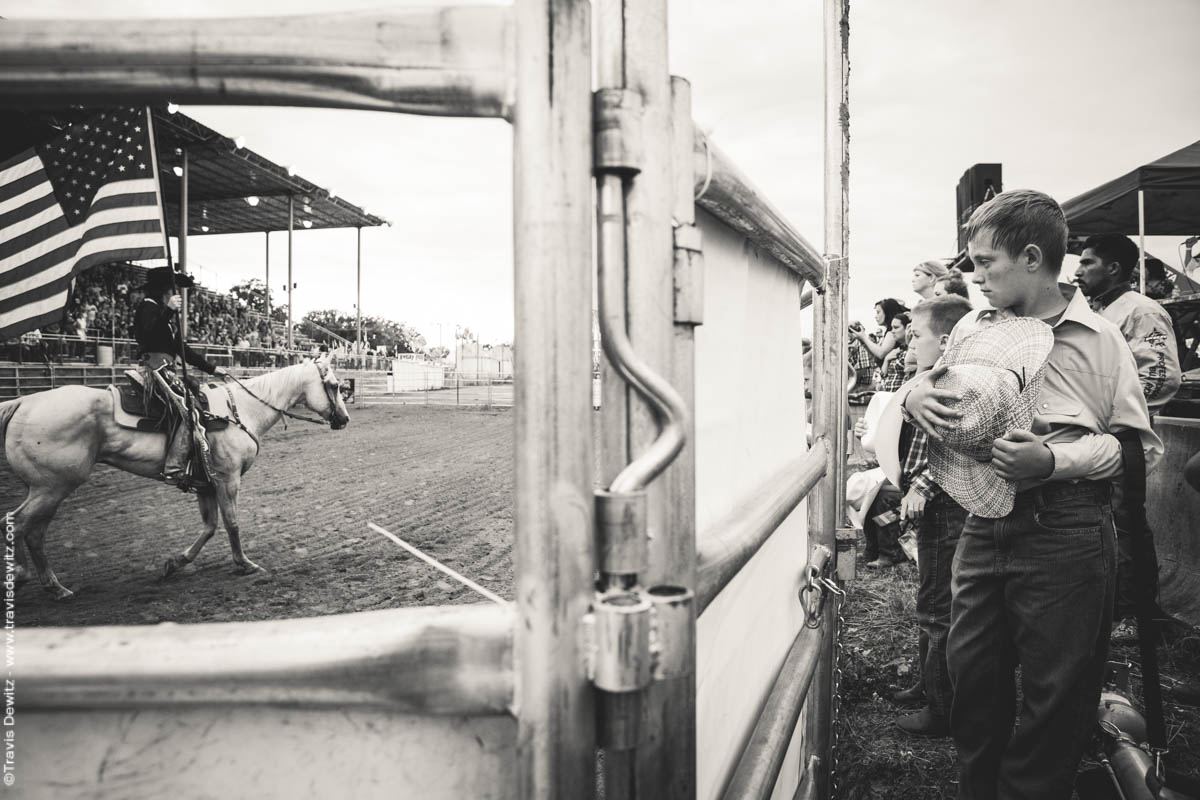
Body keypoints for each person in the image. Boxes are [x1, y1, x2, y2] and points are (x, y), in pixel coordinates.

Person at [903, 190, 1161, 800]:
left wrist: (1053, 462)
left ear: (1031, 257)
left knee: (1057, 690)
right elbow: (932, 385)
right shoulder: (971, 327)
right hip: (980, 519)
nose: (976, 277)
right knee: (972, 674)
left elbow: (1135, 448)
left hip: (1066, 530)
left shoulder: (1101, 339)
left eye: (985, 262)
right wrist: (915, 395)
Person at [1075, 234, 1182, 639]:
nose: (1078, 271)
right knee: (1106, 521)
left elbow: (1161, 377)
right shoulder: (1096, 311)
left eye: (1087, 263)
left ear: (1114, 268)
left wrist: (1110, 413)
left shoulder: (1141, 310)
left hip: (1125, 438)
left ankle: (1138, 614)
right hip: (1095, 438)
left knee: (1127, 522)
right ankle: (1114, 607)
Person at [877, 294, 974, 738]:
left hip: (944, 504)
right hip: (935, 503)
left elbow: (955, 445)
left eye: (917, 335)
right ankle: (928, 681)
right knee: (930, 597)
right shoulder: (932, 377)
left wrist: (922, 486)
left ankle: (943, 707)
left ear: (947, 339)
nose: (910, 343)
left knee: (938, 608)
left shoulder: (955, 383)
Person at [132, 266, 227, 488]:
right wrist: (168, 311)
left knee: (193, 395)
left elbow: (183, 350)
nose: (175, 295)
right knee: (190, 410)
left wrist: (212, 369)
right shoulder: (148, 307)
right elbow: (148, 333)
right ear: (163, 291)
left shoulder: (161, 314)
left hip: (165, 368)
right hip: (155, 368)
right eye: (171, 290)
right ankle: (173, 468)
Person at [878, 311, 911, 391]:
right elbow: (882, 378)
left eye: (896, 327)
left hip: (899, 396)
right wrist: (886, 360)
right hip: (888, 394)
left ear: (907, 328)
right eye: (892, 328)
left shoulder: (912, 351)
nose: (892, 331)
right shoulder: (898, 350)